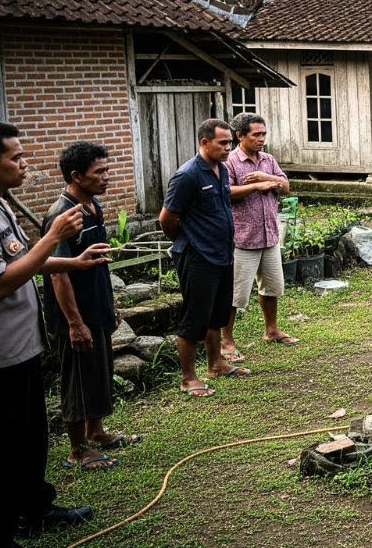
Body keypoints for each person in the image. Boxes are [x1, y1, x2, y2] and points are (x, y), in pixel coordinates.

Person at [0, 121, 104, 547]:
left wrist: (73, 262)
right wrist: (52, 238)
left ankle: (35, 508)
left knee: (30, 437)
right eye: (17, 158)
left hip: (22, 345)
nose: (26, 165)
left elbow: (23, 260)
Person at [43, 142, 139, 472]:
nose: (107, 177)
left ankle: (97, 432)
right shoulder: (62, 215)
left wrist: (108, 306)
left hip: (97, 307)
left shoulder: (92, 206)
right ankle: (77, 449)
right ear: (76, 176)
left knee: (99, 373)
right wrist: (74, 322)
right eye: (99, 172)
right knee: (77, 380)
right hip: (74, 314)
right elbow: (58, 273)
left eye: (107, 170)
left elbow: (97, 262)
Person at [159, 118, 251, 399]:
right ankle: (188, 378)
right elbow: (167, 218)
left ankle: (215, 364)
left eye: (229, 143)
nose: (228, 148)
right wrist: (187, 241)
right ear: (204, 142)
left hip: (222, 252)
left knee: (217, 313)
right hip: (197, 255)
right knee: (195, 317)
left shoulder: (221, 170)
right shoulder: (187, 175)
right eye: (223, 143)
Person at [220, 112, 296, 363]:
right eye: (256, 134)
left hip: (269, 234)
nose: (261, 139)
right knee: (236, 294)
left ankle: (271, 330)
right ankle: (227, 340)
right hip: (243, 237)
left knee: (272, 286)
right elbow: (226, 192)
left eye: (264, 134)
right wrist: (255, 186)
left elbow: (285, 186)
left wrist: (266, 178)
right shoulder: (229, 162)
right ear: (240, 136)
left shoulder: (268, 159)